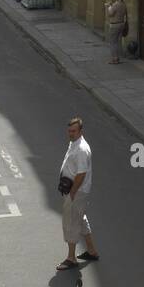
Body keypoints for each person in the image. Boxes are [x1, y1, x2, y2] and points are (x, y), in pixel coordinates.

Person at [57, 116, 99, 271]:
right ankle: (92, 251)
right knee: (80, 219)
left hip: (77, 191)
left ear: (81, 131)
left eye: (74, 131)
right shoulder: (75, 143)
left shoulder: (81, 149)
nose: (71, 134)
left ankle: (71, 258)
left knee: (71, 222)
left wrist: (73, 192)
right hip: (75, 190)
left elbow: (81, 174)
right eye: (69, 131)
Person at [106, 0, 127, 64]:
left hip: (114, 25)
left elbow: (110, 14)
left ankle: (114, 59)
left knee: (112, 42)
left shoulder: (116, 4)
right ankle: (117, 57)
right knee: (118, 42)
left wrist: (108, 7)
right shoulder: (123, 4)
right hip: (121, 24)